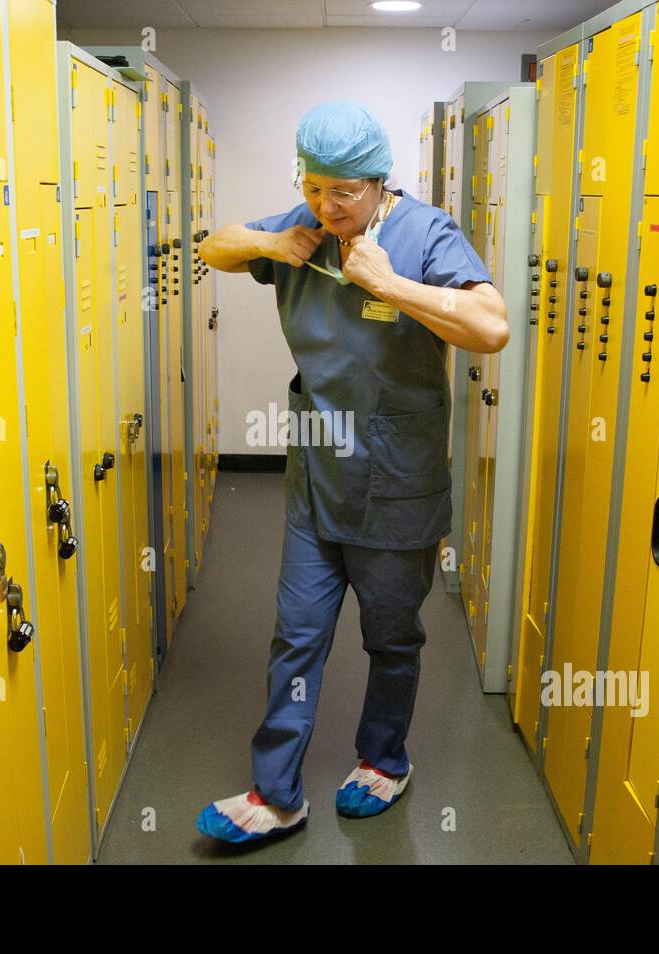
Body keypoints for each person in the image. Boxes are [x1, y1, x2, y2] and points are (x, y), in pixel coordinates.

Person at [195, 100, 508, 843]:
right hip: (318, 475)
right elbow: (214, 246)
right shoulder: (305, 223)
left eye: (344, 193)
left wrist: (389, 283)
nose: (326, 205)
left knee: (392, 635)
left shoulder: (423, 232)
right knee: (296, 633)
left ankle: (384, 760)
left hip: (397, 478)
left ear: (378, 183)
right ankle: (276, 795)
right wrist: (273, 244)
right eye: (313, 186)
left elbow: (491, 326)